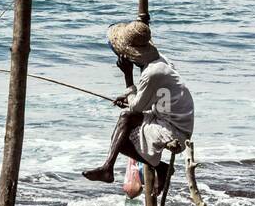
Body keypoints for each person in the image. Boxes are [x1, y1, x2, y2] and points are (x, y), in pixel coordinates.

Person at [82, 20, 194, 189]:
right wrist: (130, 97)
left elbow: (136, 108)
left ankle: (113, 169)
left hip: (176, 130)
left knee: (123, 135)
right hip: (167, 116)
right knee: (125, 121)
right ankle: (111, 168)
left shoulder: (151, 73)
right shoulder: (159, 61)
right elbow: (153, 98)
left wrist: (128, 78)